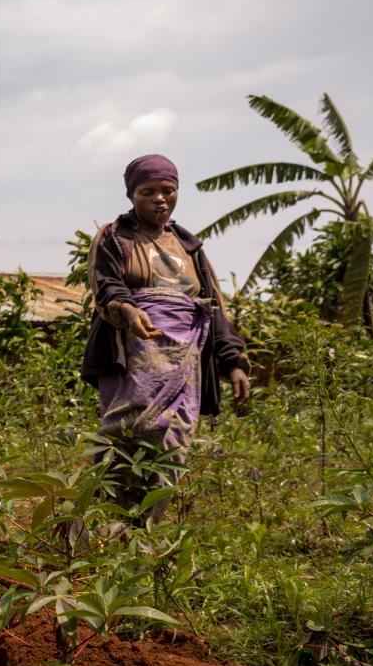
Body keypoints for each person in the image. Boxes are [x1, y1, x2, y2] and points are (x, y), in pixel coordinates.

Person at [81, 154, 251, 500]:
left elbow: (213, 305)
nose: (160, 198)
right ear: (132, 195)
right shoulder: (114, 237)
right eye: (148, 191)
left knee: (173, 435)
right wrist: (128, 310)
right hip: (135, 350)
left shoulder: (190, 247)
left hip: (185, 355)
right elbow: (107, 284)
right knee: (128, 429)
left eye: (167, 190)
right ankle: (96, 518)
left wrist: (232, 362)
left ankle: (148, 529)